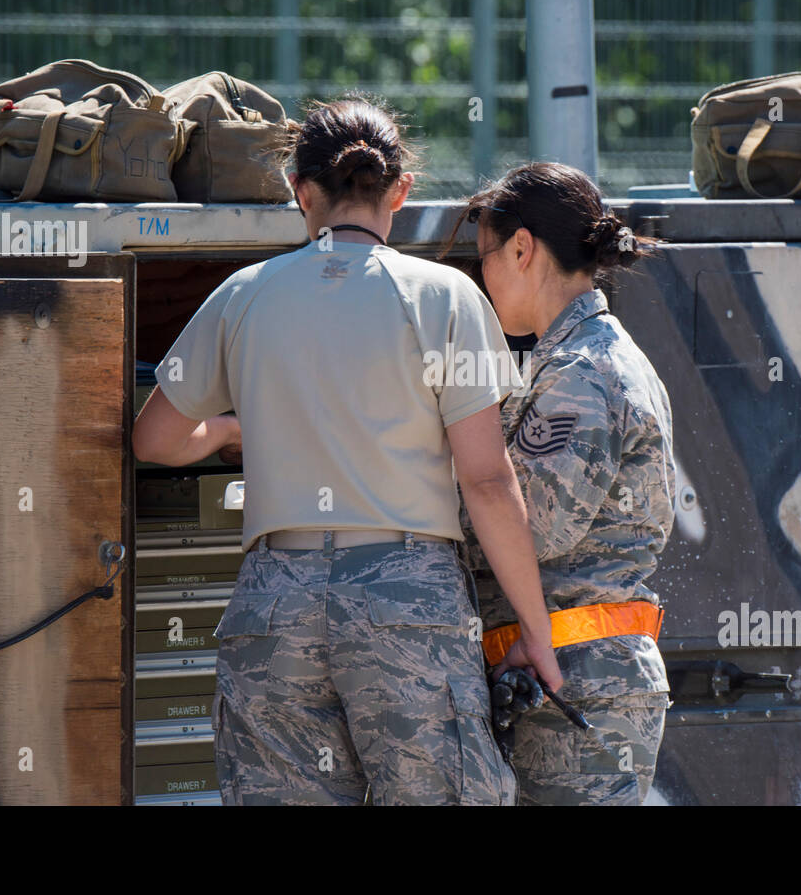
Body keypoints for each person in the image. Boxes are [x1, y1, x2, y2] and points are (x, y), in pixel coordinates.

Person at [132, 96, 562, 805]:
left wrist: (235, 430)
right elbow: (486, 480)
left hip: (275, 601)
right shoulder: (446, 297)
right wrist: (537, 635)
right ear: (400, 191)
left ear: (300, 190)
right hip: (406, 602)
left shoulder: (242, 296)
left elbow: (156, 437)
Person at [447, 161, 676, 805]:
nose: (481, 278)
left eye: (485, 257)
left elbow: (536, 523)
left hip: (577, 686)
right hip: (568, 682)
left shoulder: (581, 372)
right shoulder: (582, 358)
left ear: (522, 248)